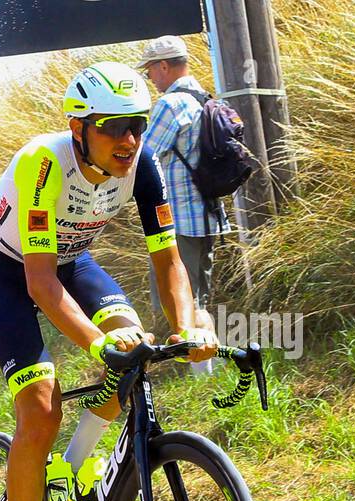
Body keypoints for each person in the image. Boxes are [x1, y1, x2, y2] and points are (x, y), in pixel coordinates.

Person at [0, 60, 217, 501]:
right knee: (40, 407)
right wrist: (96, 343)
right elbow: (38, 284)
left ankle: (73, 468)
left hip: (72, 261)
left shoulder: (144, 166)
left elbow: (168, 260)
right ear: (80, 127)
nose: (129, 140)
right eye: (113, 127)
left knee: (138, 349)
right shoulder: (42, 163)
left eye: (137, 124)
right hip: (8, 270)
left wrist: (185, 328)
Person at [139, 35, 231, 374]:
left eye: (150, 69)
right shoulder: (203, 98)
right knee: (197, 297)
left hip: (179, 220)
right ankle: (207, 372)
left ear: (164, 66)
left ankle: (201, 376)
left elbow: (143, 157)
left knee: (180, 298)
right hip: (205, 216)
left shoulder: (171, 104)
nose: (150, 77)